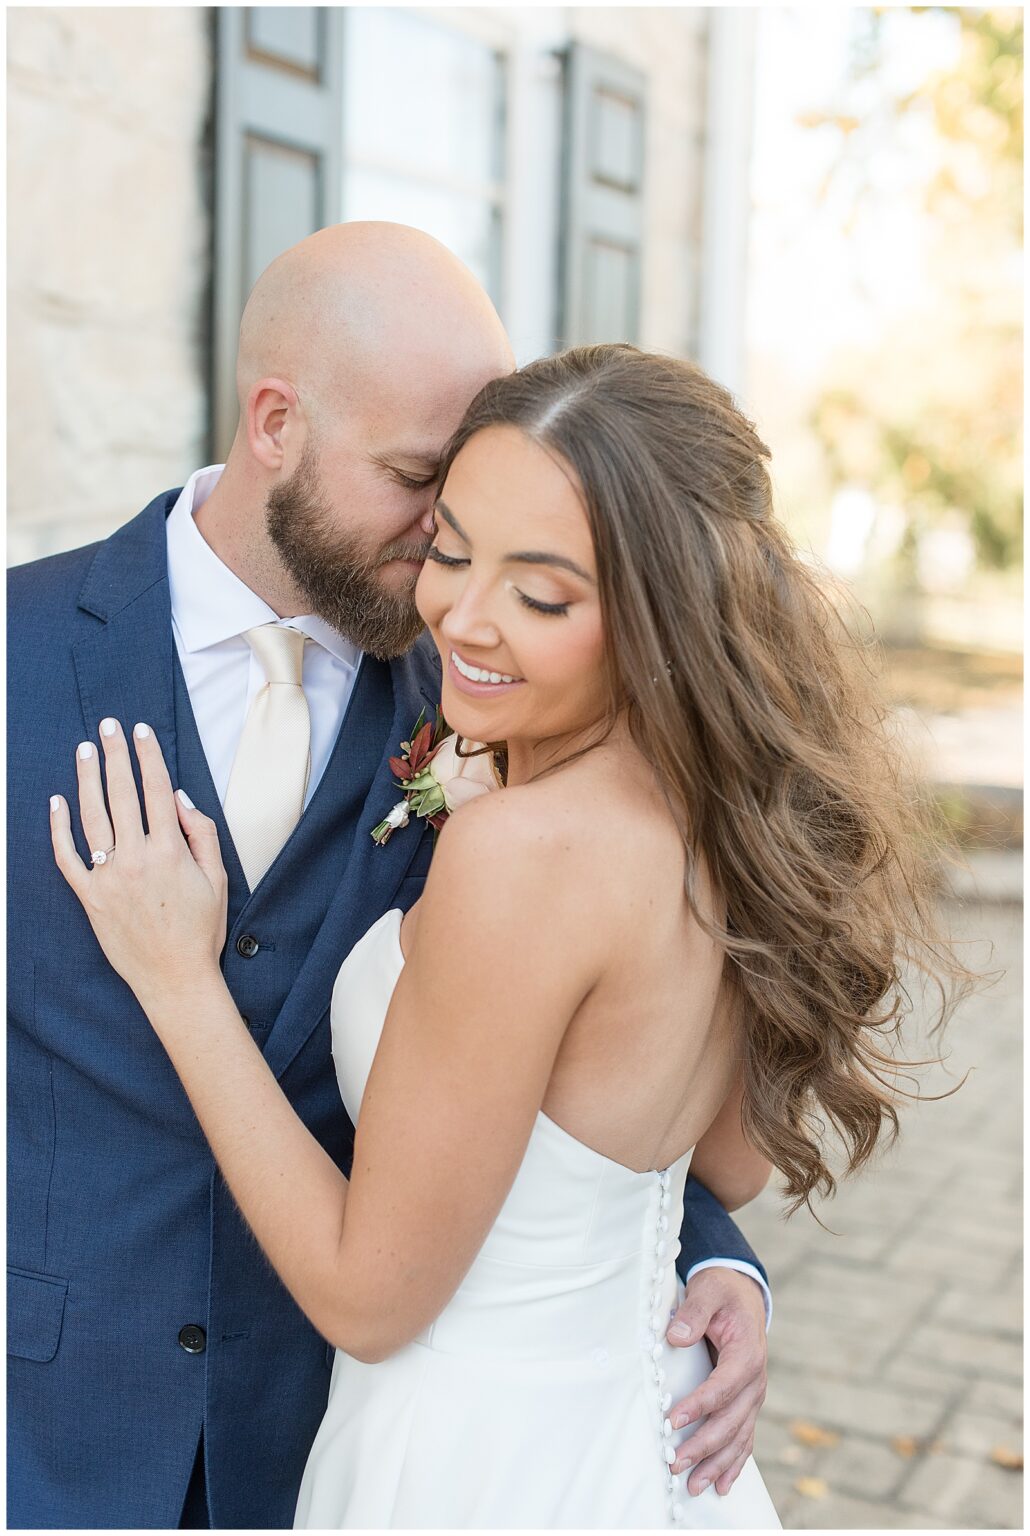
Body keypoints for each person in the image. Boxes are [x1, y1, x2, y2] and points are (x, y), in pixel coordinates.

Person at [49, 345, 961, 1528]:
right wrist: (718, 1263)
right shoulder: (729, 814)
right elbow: (716, 1160)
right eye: (450, 550)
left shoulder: (518, 854)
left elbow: (370, 1301)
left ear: (663, 610)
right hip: (649, 1442)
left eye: (541, 596)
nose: (460, 621)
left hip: (476, 1459)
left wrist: (179, 980)